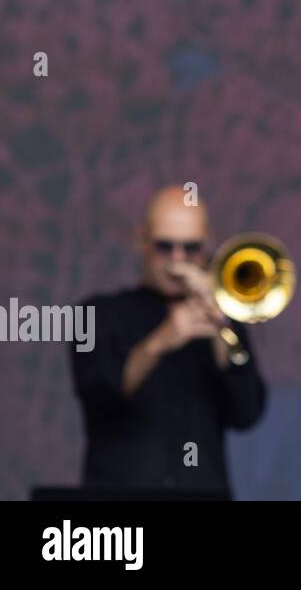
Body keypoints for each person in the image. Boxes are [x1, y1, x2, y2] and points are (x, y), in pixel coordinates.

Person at [71, 187, 266, 495]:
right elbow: (99, 395)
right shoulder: (98, 314)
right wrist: (161, 340)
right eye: (165, 247)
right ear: (142, 240)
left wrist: (221, 325)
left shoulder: (222, 318)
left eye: (191, 249)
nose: (177, 259)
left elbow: (247, 412)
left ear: (207, 247)